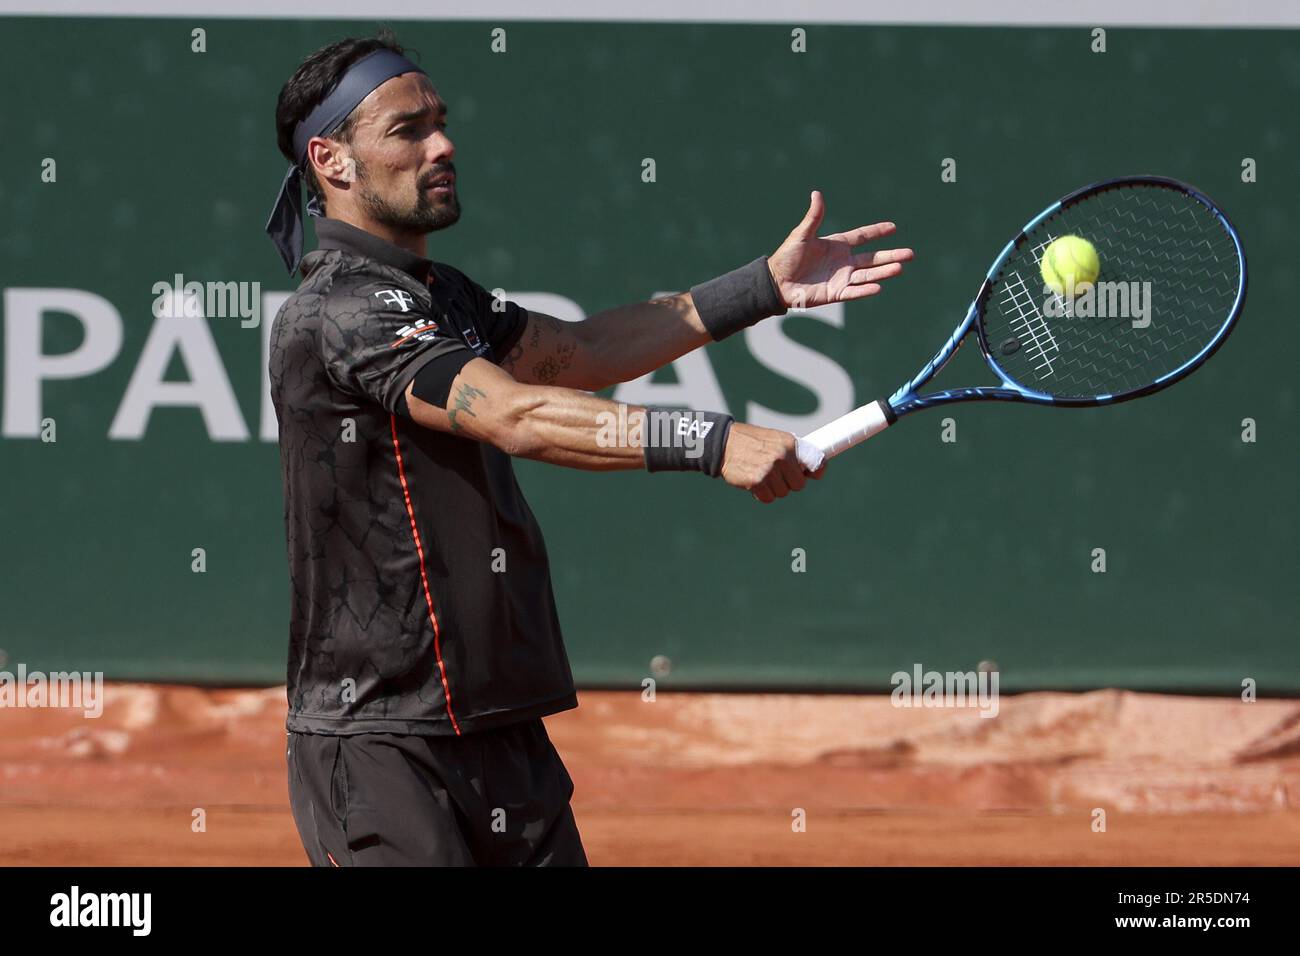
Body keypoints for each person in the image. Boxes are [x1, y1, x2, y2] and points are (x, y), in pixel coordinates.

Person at [266, 30, 912, 866]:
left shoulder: (440, 295)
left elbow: (583, 352)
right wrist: (710, 439)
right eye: (408, 130)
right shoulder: (341, 310)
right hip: (380, 744)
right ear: (332, 161)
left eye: (442, 122)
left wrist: (760, 289)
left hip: (499, 730)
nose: (443, 145)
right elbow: (516, 415)